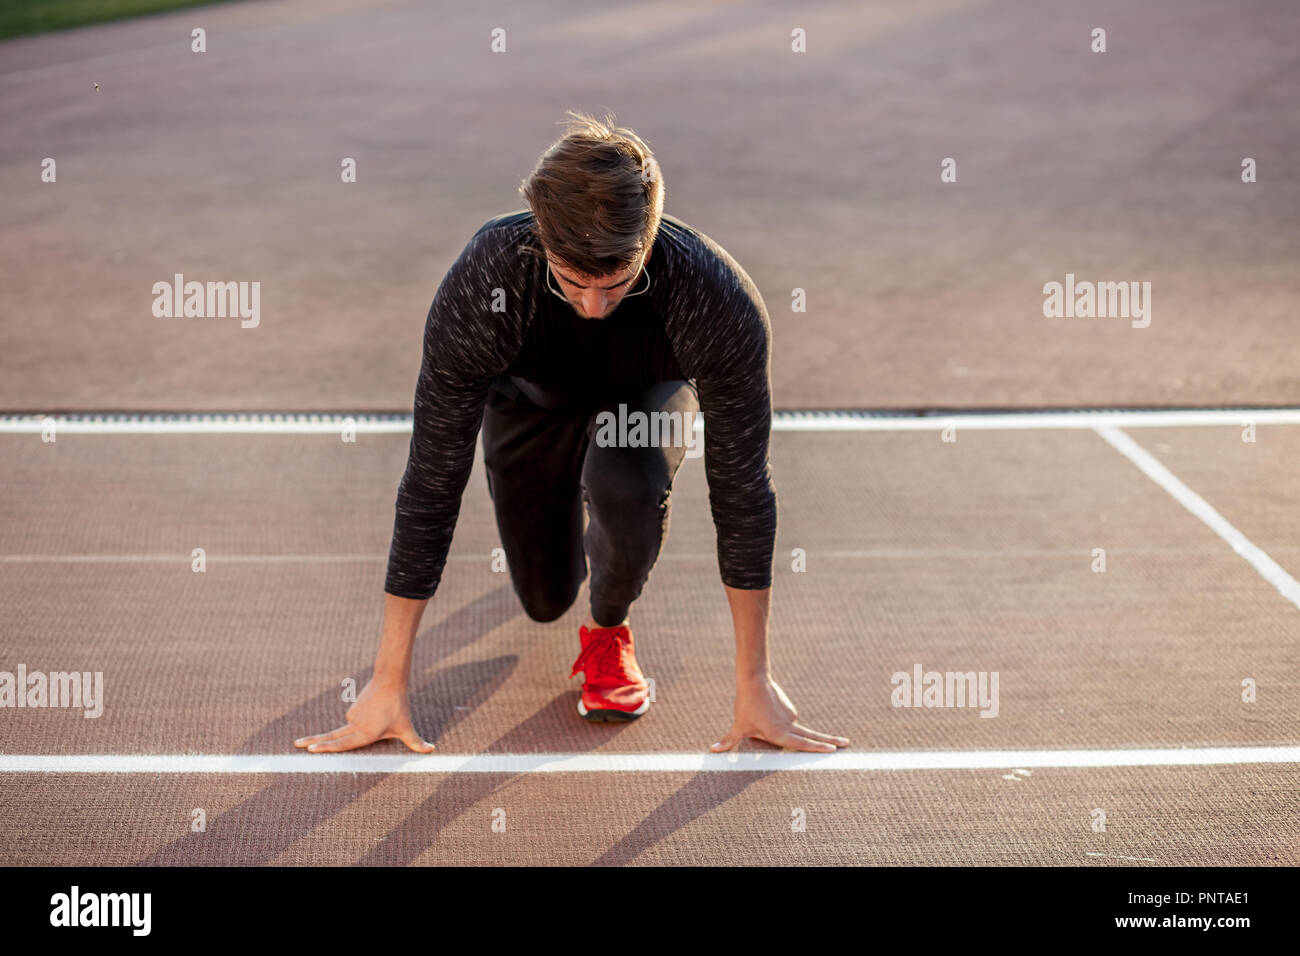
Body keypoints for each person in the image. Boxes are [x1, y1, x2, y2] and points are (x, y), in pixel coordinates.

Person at [295, 111, 848, 755]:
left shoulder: (713, 298)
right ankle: (564, 573)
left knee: (627, 487)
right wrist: (387, 681)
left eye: (617, 285)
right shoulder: (487, 282)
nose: (592, 306)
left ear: (648, 240)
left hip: (639, 404)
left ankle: (608, 629)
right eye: (573, 282)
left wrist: (755, 681)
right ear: (540, 238)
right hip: (529, 404)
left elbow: (743, 490)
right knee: (545, 598)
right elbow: (431, 479)